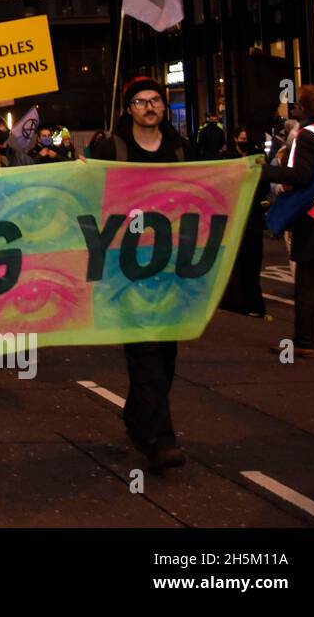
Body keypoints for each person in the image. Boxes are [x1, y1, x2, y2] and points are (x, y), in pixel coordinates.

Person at [89, 77, 194, 472]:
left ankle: (138, 419)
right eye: (140, 101)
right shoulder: (112, 147)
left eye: (155, 101)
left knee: (166, 352)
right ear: (128, 108)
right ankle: (160, 440)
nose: (149, 107)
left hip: (172, 266)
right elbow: (88, 194)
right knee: (145, 348)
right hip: (126, 266)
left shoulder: (181, 149)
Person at [261, 85, 314, 358]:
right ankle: (304, 341)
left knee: (308, 285)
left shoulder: (308, 135)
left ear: (303, 109)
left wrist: (265, 171)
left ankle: (305, 342)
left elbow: (302, 176)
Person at [219, 125, 269, 317]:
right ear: (234, 138)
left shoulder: (258, 157)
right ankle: (235, 300)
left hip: (252, 215)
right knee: (234, 259)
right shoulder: (227, 157)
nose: (244, 140)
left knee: (251, 258)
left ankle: (252, 302)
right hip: (234, 214)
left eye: (247, 137)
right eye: (242, 137)